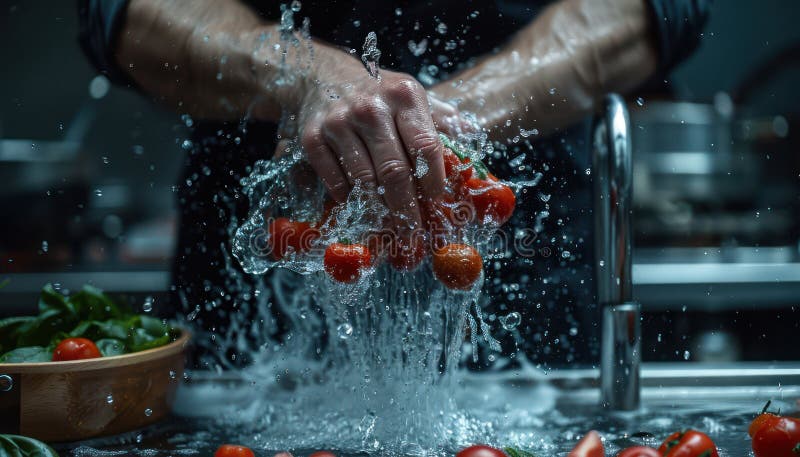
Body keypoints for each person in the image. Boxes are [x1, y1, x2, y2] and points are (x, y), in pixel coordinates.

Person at [78, 0, 709, 369]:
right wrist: (304, 75)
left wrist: (436, 120)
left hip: (533, 285)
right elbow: (120, 13)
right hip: (255, 293)